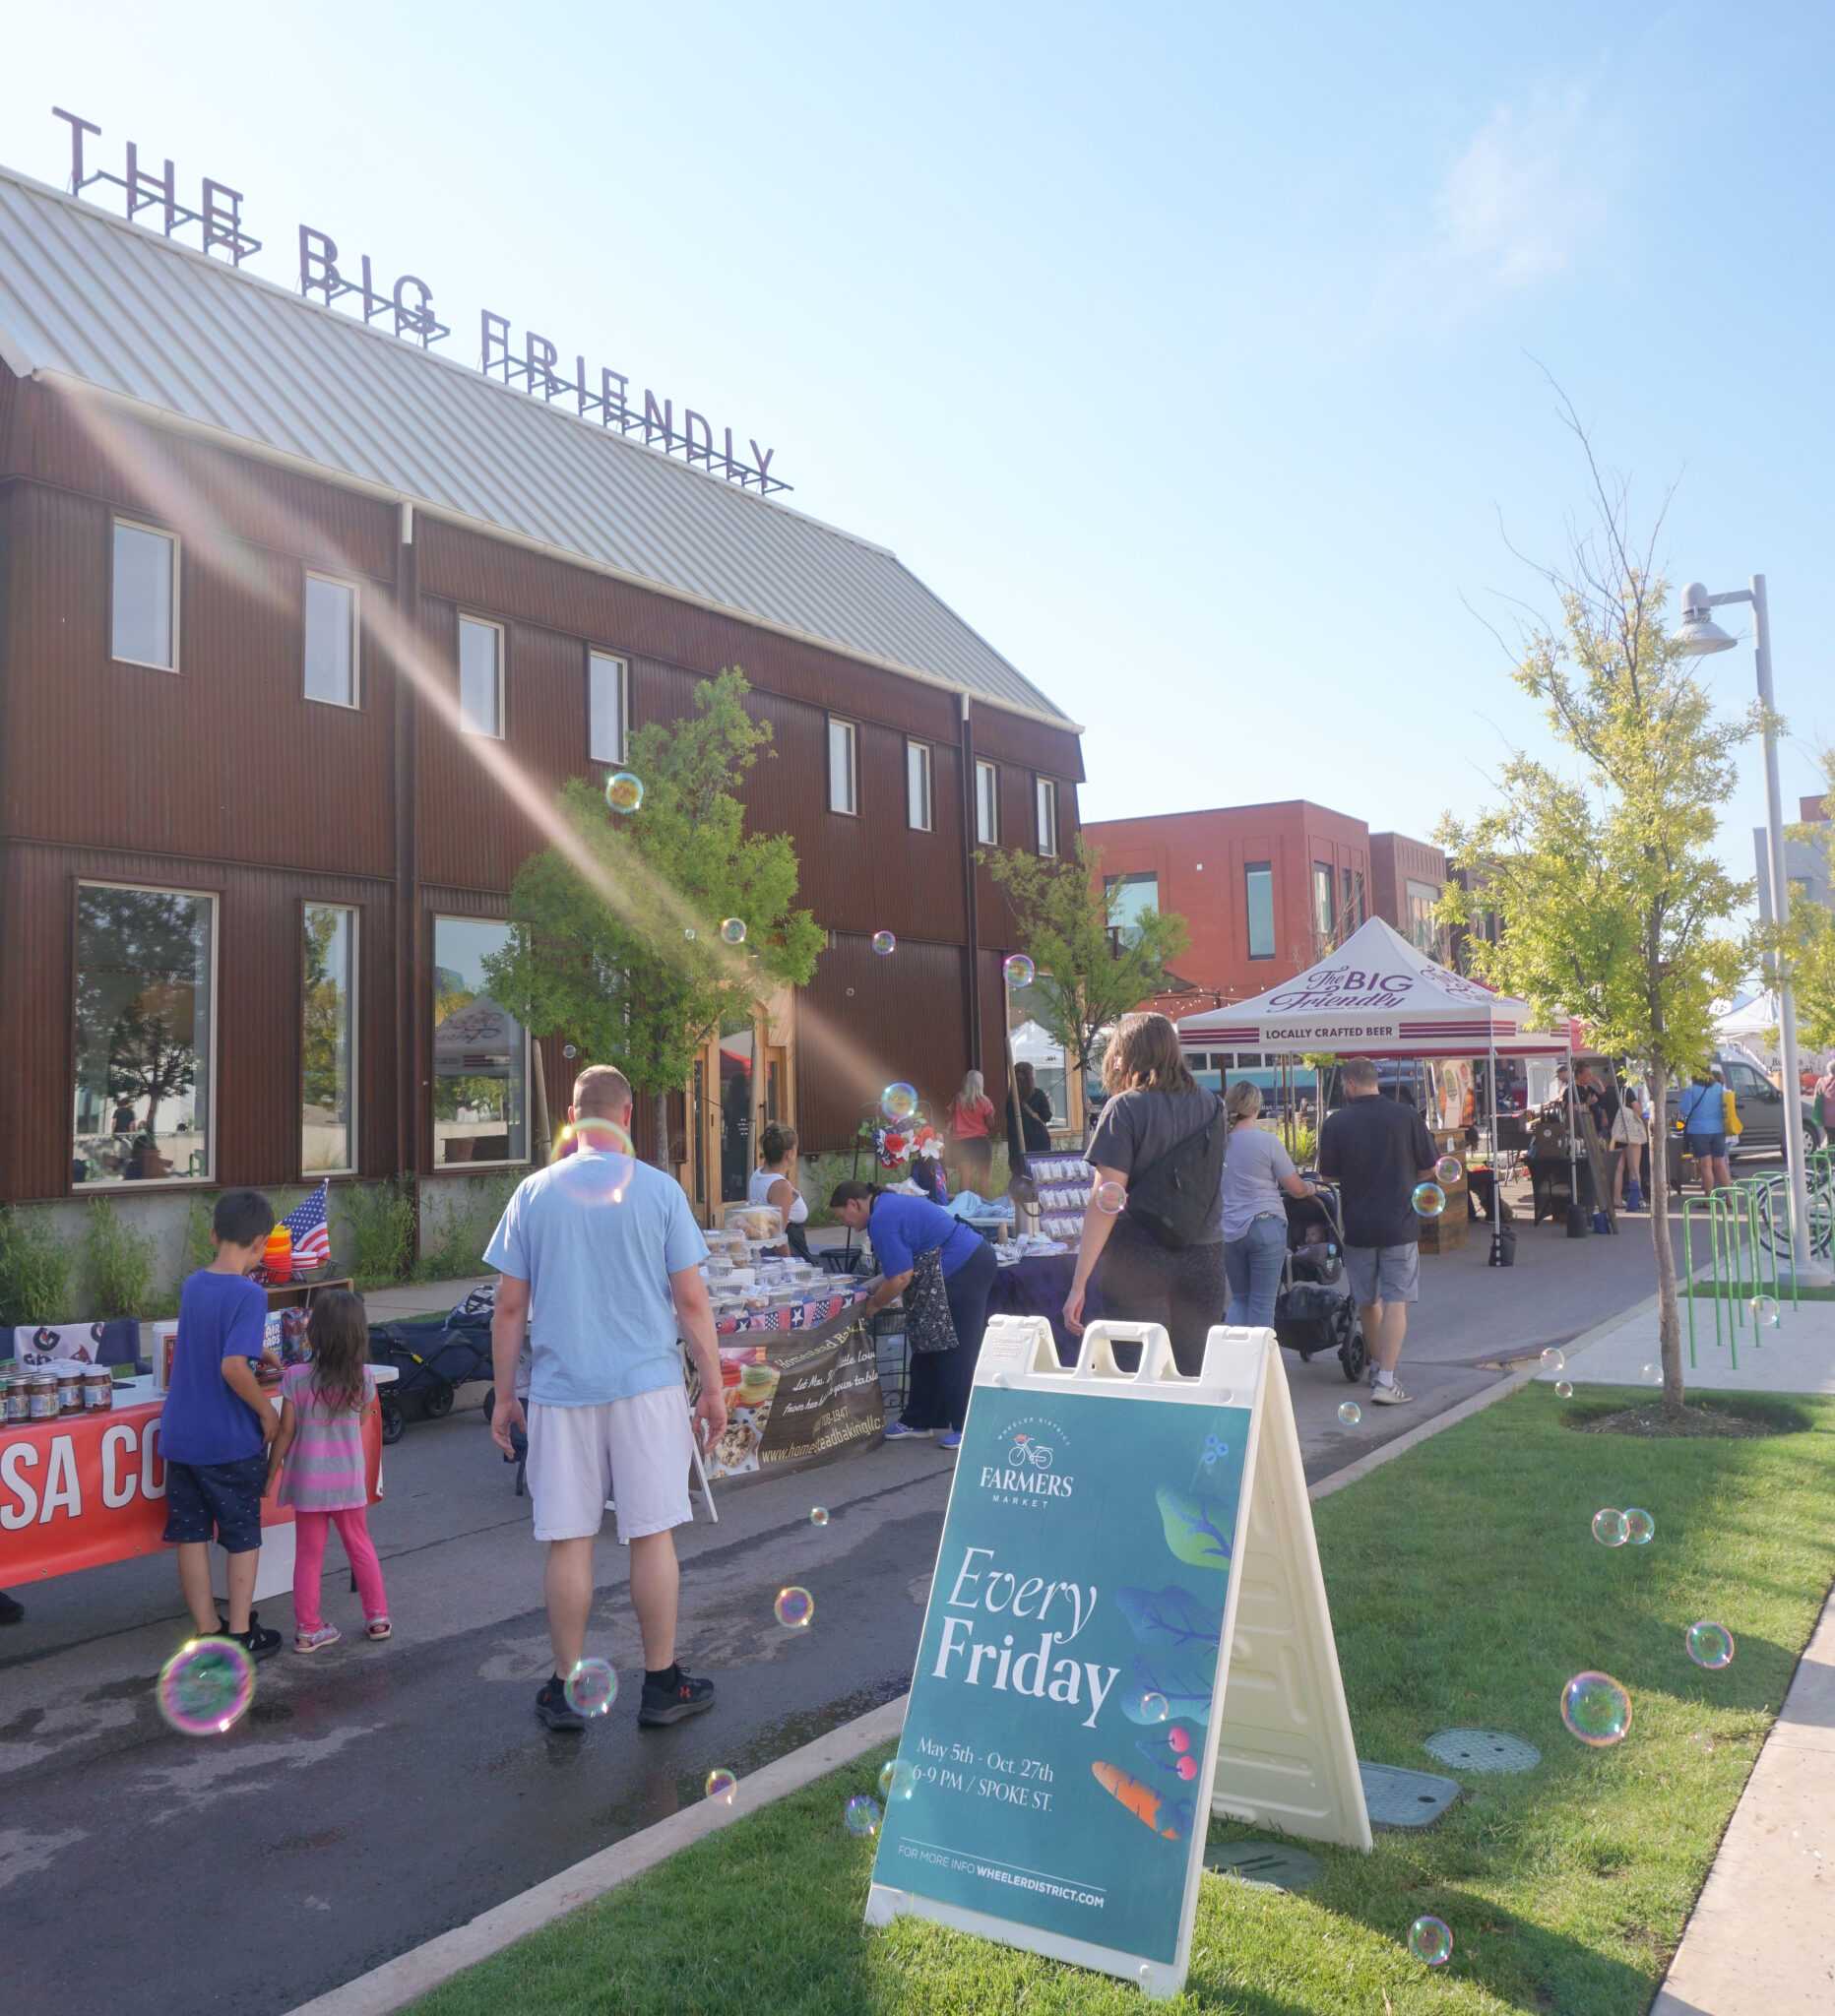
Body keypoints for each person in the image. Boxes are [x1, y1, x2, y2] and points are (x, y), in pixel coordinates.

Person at [486, 1065, 727, 1734]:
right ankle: (660, 1683)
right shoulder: (659, 1191)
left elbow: (509, 1308)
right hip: (646, 1386)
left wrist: (506, 1395)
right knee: (651, 1535)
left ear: (573, 1115)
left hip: (562, 1392)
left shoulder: (533, 1194)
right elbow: (690, 1300)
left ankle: (566, 1690)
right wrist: (711, 1384)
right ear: (626, 1116)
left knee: (568, 1541)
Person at [1063, 1012, 1226, 1377]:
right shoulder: (1213, 1106)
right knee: (1196, 1376)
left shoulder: (1124, 1108)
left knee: (1140, 1376)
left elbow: (1106, 1200)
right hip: (1205, 1256)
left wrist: (1079, 1283)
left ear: (1127, 1054)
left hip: (1138, 1259)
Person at [160, 1188, 285, 1660]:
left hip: (182, 1435)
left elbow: (211, 1340)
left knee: (190, 1534)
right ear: (260, 1243)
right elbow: (233, 1367)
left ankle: (207, 1628)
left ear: (214, 1235)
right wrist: (266, 1410)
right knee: (241, 1534)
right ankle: (239, 1633)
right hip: (228, 1439)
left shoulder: (194, 1284)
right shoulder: (250, 1294)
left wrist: (258, 1350)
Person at [830, 1180, 999, 1450]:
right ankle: (920, 1419)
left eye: (843, 1216)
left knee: (952, 1347)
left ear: (854, 1203)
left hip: (963, 1267)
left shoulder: (882, 1218)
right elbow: (898, 1266)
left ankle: (966, 1425)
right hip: (953, 1266)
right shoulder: (887, 1206)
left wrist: (872, 1306)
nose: (845, 1223)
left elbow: (900, 1277)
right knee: (926, 1345)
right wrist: (865, 1289)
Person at [267, 1290, 390, 1654]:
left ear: (314, 1332)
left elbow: (286, 1432)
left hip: (308, 1483)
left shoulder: (296, 1378)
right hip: (347, 1480)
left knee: (308, 1555)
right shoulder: (364, 1379)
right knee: (360, 1547)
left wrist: (270, 1473)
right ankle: (378, 1617)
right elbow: (364, 1415)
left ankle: (308, 1629)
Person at [1316, 1056, 1437, 1408]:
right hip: (1399, 1222)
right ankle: (1386, 1377)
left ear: (1350, 1084)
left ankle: (1376, 1371)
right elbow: (1430, 1167)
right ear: (1375, 1082)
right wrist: (1403, 1180)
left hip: (1357, 1225)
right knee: (1397, 1298)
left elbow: (1327, 1176)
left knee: (1368, 1300)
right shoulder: (1405, 1116)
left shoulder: (1337, 1123)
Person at [1221, 1081, 1315, 1330]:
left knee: (1240, 1300)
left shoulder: (1219, 1143)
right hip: (1265, 1225)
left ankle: (1232, 1360)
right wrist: (1311, 1188)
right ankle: (1260, 1365)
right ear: (1256, 1107)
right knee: (1262, 1304)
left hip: (1229, 1230)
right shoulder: (1267, 1142)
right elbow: (1295, 1188)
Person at [749, 1122, 813, 1261]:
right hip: (789, 1253)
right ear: (789, 1153)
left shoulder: (758, 1174)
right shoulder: (780, 1186)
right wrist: (789, 1266)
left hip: (767, 1251)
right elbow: (778, 1234)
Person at [1676, 1070, 1731, 1196]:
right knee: (1720, 1164)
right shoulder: (1718, 1087)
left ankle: (1709, 1199)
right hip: (1718, 1129)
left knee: (1706, 1165)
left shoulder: (1691, 1090)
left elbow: (1684, 1112)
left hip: (1698, 1131)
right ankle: (1729, 1198)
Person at [945, 1070, 997, 1193]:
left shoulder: (957, 1099)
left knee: (965, 1179)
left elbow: (948, 1118)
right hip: (981, 1143)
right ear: (981, 1084)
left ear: (966, 1083)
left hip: (962, 1144)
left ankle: (964, 1209)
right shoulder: (985, 1101)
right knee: (984, 1179)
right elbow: (991, 1125)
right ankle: (985, 1208)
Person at [1610, 1090, 1650, 1210]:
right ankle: (1637, 1199)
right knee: (1634, 1169)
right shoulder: (1626, 1091)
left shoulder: (1606, 1092)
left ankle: (1617, 1199)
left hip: (1616, 1134)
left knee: (1618, 1169)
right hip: (1630, 1134)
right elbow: (1637, 1109)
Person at [1006, 1062, 1053, 1160]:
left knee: (1020, 1172)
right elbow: (1047, 1117)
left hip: (1017, 1142)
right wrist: (1048, 1102)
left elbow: (1009, 1119)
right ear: (1031, 1077)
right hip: (1038, 1142)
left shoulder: (1011, 1099)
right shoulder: (1039, 1094)